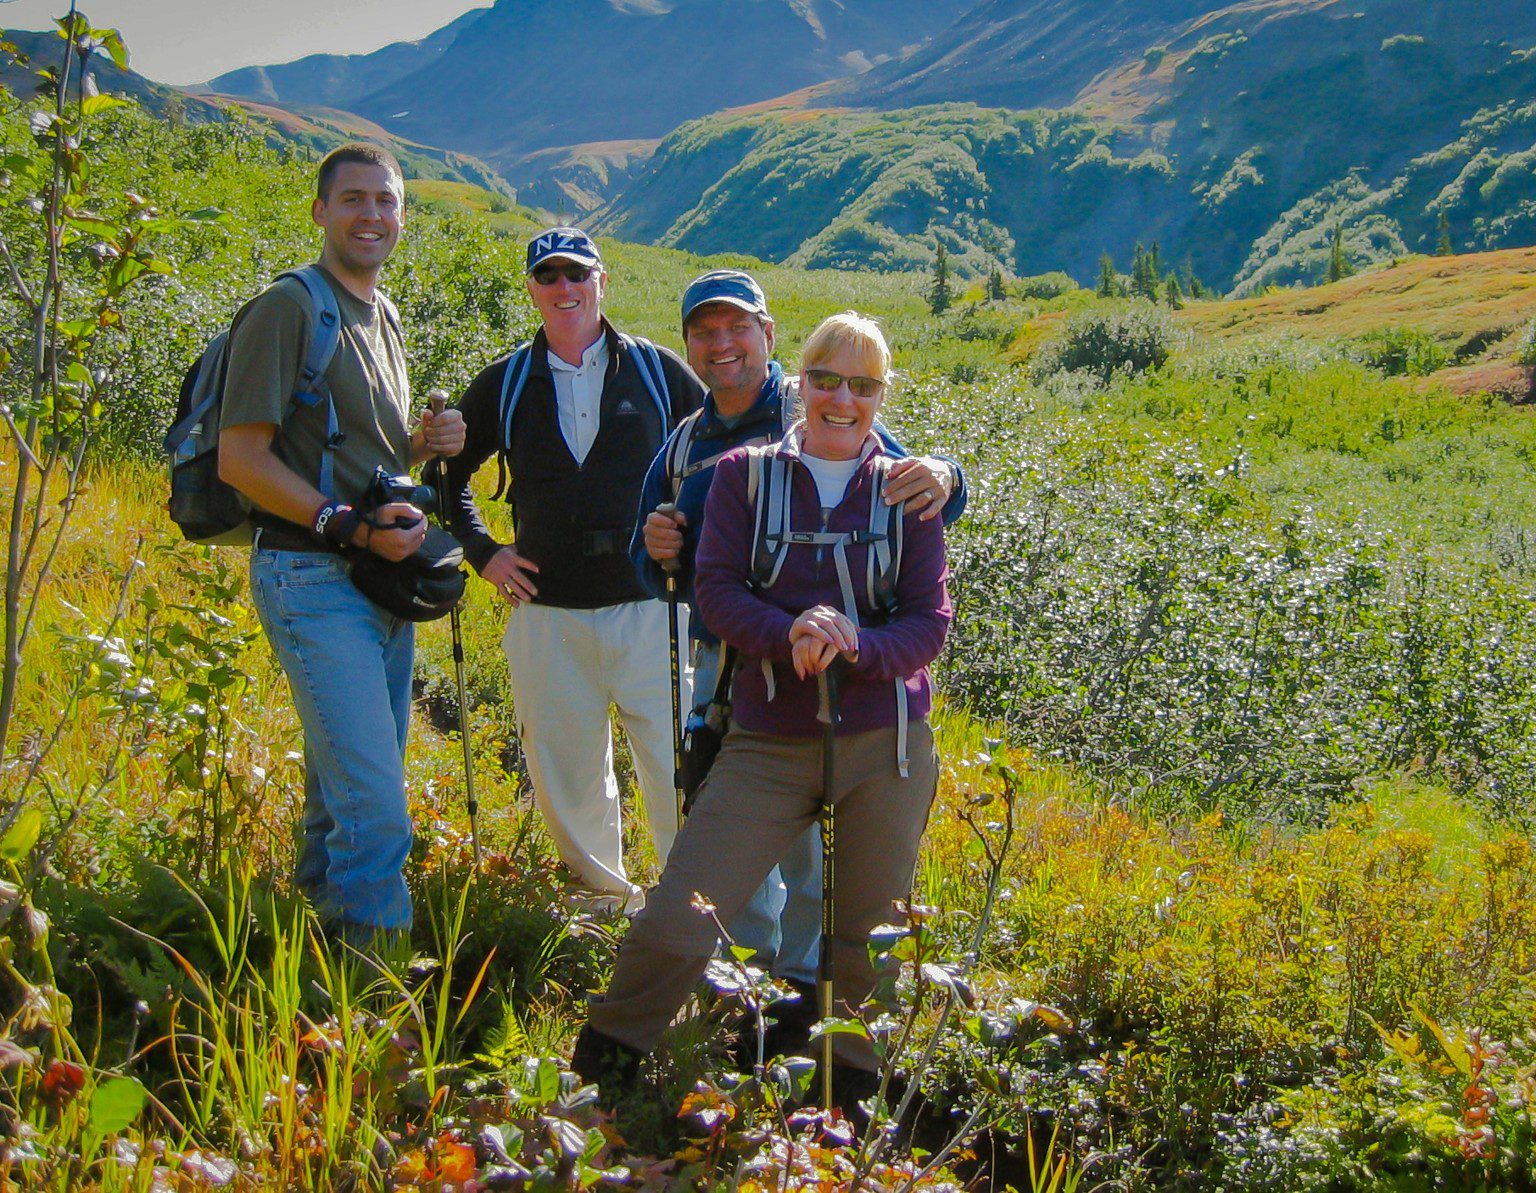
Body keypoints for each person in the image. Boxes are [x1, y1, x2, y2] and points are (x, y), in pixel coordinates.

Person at [577, 311, 951, 1111]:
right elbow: (714, 592)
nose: (841, 398)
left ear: (881, 396)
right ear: (799, 384)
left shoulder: (911, 488)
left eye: (862, 384)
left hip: (887, 745)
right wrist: (790, 633)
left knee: (866, 942)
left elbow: (930, 621)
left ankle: (846, 1103)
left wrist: (855, 647)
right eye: (825, 379)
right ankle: (598, 1081)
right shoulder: (744, 476)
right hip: (767, 739)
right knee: (679, 915)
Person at [219, 143, 466, 940]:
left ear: (402, 216)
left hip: (372, 578)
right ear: (320, 211)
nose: (371, 215)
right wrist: (349, 526)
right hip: (311, 575)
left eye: (386, 201)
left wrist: (424, 446)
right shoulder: (288, 306)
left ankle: (312, 952)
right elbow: (242, 457)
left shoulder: (378, 312)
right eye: (353, 199)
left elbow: (361, 453)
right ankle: (377, 992)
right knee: (376, 808)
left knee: (342, 795)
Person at [443, 228, 705, 910]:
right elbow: (446, 476)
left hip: (650, 608)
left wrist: (694, 544)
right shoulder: (503, 383)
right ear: (531, 288)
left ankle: (690, 910)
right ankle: (605, 908)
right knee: (568, 774)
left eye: (576, 274)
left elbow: (720, 457)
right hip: (547, 611)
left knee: (679, 764)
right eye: (549, 276)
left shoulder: (657, 370)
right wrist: (484, 552)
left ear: (601, 280)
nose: (565, 289)